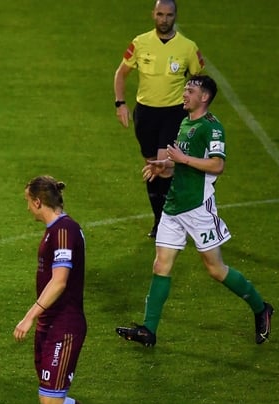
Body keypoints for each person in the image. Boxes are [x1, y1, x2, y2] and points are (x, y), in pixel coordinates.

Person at [116, 75, 274, 347]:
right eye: (185, 89)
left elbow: (217, 165)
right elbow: (183, 162)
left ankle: (261, 308)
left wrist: (182, 159)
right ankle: (148, 330)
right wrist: (164, 165)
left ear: (204, 97)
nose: (184, 93)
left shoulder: (212, 127)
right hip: (174, 205)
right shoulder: (185, 122)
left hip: (198, 207)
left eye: (190, 90)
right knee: (161, 264)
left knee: (215, 269)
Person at [14, 176, 120, 404]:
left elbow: (59, 281)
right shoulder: (56, 229)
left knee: (51, 399)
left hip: (64, 326)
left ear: (38, 202)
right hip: (50, 325)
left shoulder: (65, 230)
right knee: (53, 399)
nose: (27, 208)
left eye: (28, 202)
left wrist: (29, 316)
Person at [113, 0, 205, 238]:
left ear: (175, 16)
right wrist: (120, 103)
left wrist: (195, 110)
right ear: (153, 14)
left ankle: (167, 222)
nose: (164, 19)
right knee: (152, 166)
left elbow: (199, 81)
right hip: (145, 113)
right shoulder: (140, 43)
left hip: (173, 113)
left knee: (164, 167)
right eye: (160, 14)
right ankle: (159, 219)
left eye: (169, 15)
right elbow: (121, 73)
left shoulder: (187, 47)